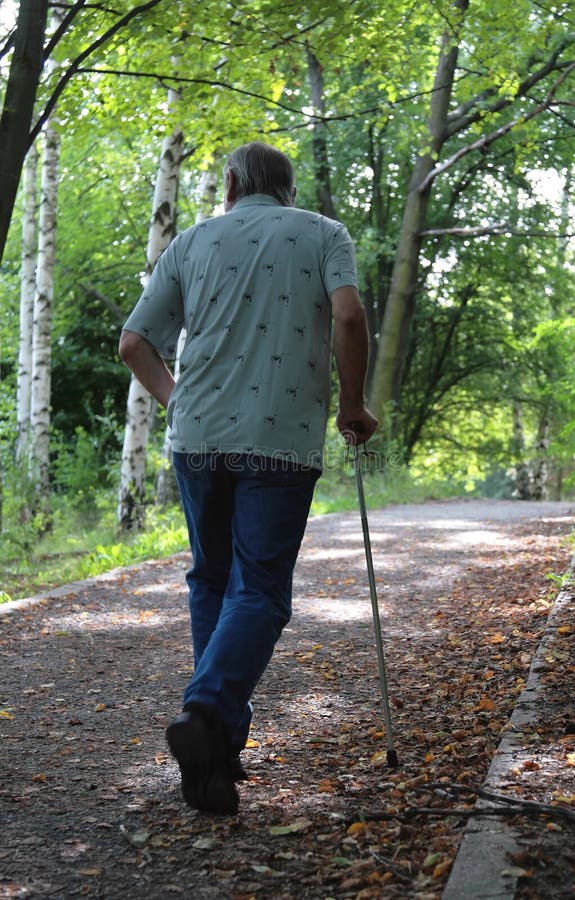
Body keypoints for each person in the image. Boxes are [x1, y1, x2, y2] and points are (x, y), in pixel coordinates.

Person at [119, 141, 377, 815]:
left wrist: (179, 400)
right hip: (280, 438)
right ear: (287, 190)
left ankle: (217, 749)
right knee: (259, 589)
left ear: (230, 184)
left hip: (198, 437)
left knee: (211, 580)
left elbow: (133, 343)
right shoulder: (324, 234)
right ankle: (207, 714)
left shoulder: (192, 243)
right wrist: (352, 404)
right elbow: (348, 315)